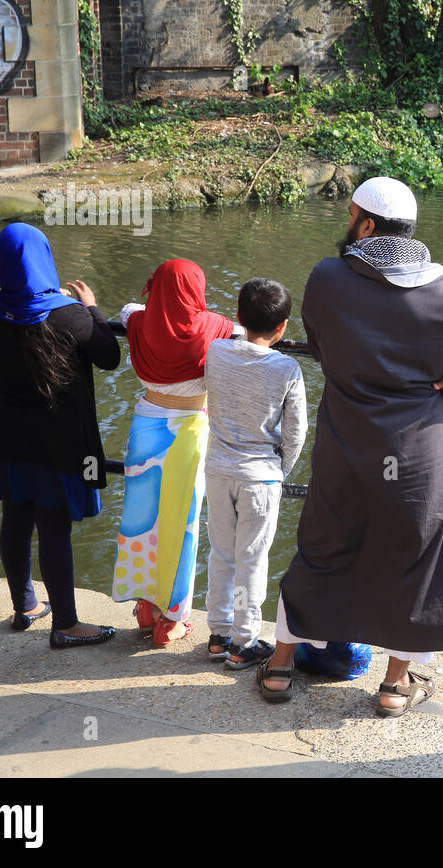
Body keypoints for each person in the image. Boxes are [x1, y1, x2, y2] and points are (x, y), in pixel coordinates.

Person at [257, 176, 443, 711]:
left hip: (347, 442)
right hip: (424, 451)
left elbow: (321, 342)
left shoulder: (328, 279)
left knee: (322, 550)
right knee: (416, 558)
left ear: (366, 223)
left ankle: (280, 667)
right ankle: (393, 686)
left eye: (351, 215)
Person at [0, 222, 119, 648]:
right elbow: (110, 357)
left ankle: (26, 606)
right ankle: (67, 624)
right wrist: (92, 308)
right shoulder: (69, 314)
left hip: (6, 431)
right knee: (53, 525)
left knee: (15, 517)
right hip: (59, 438)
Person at [112, 260, 238, 645]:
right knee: (182, 523)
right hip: (190, 431)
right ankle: (173, 619)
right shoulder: (213, 327)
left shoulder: (137, 323)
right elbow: (250, 331)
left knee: (141, 521)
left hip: (146, 426)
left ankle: (145, 608)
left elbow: (129, 309)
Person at [202, 278, 307, 669]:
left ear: (239, 317)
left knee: (221, 553)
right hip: (260, 475)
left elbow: (227, 341)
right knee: (252, 559)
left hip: (218, 469)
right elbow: (296, 432)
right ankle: (244, 642)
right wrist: (280, 470)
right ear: (282, 328)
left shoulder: (216, 351)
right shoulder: (287, 367)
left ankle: (217, 633)